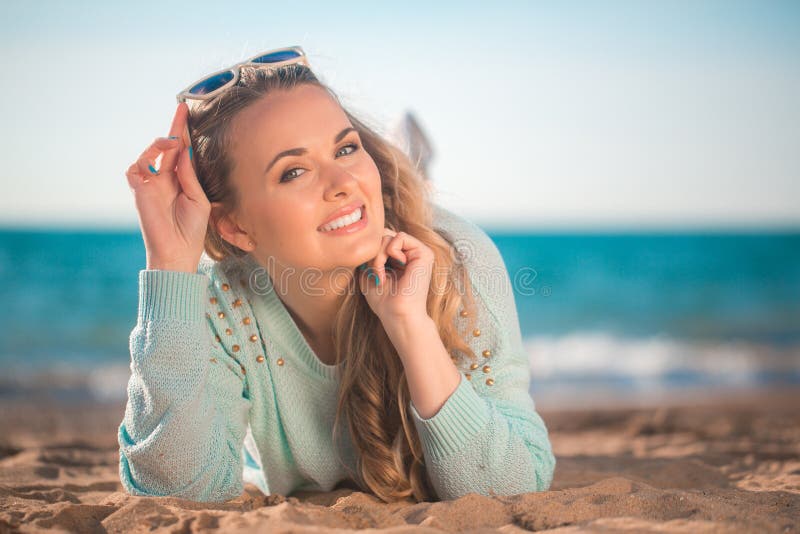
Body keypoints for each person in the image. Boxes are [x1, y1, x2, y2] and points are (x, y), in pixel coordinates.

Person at [118, 46, 555, 504]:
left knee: (410, 194)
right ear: (234, 227)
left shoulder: (456, 258)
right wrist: (169, 266)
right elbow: (178, 491)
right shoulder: (218, 298)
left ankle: (410, 167)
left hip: (413, 226)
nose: (344, 182)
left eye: (346, 148)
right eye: (293, 172)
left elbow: (513, 487)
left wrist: (412, 327)